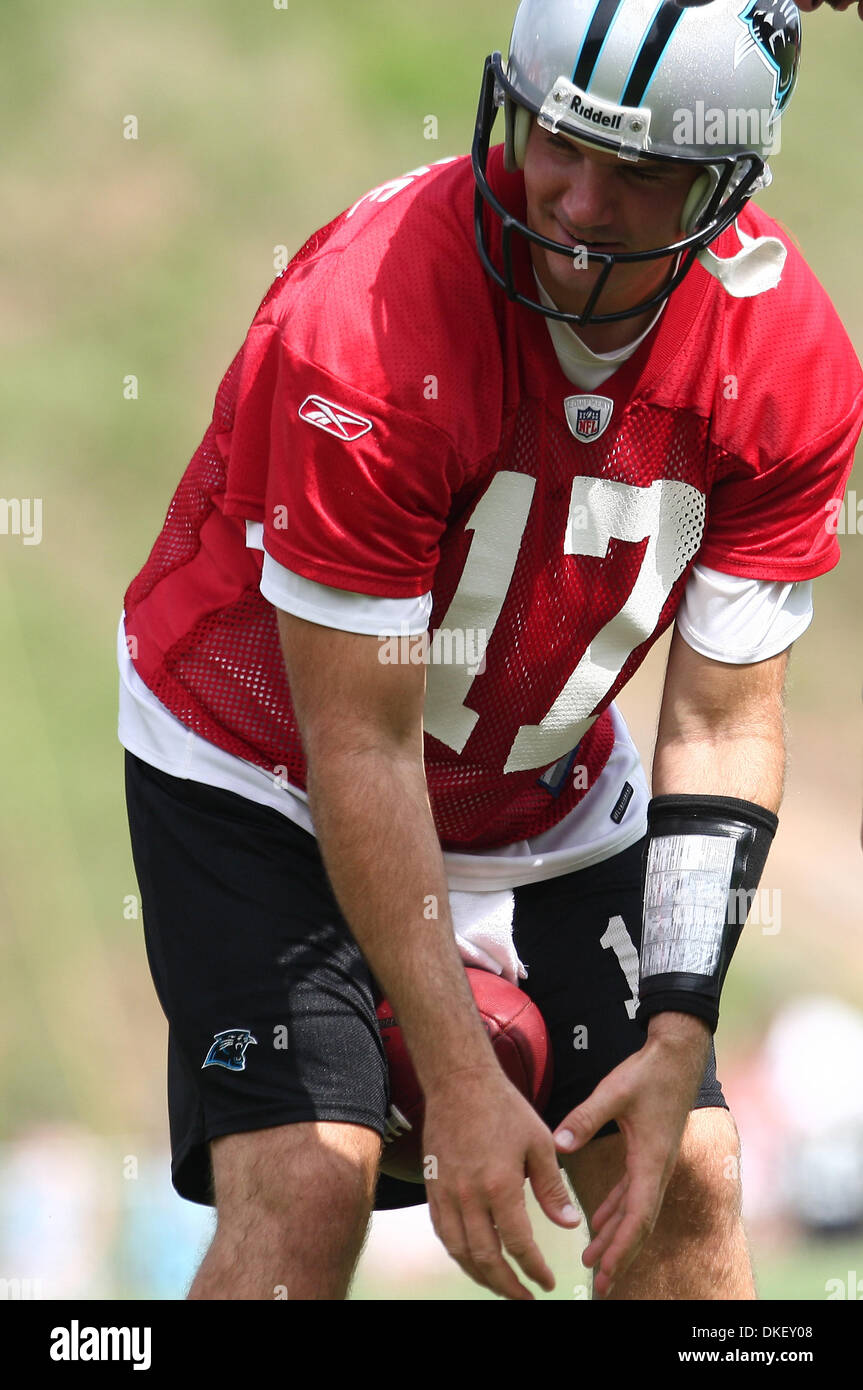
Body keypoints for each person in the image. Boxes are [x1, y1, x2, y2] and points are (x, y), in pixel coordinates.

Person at [119, 0, 862, 1301]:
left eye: (635, 170)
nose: (574, 198)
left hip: (542, 781)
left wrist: (681, 1020)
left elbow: (720, 725)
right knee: (309, 1172)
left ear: (724, 181)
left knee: (687, 1172)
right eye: (557, 140)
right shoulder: (369, 324)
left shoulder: (787, 357)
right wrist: (460, 1077)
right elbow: (359, 742)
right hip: (266, 768)